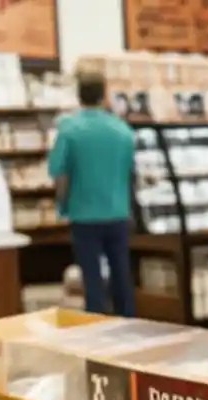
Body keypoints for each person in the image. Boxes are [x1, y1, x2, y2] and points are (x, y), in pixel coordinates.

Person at [48, 72, 136, 317]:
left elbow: (60, 173)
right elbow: (130, 172)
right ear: (104, 95)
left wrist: (62, 204)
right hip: (118, 212)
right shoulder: (122, 130)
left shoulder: (69, 130)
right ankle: (129, 325)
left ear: (79, 96)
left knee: (92, 278)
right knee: (121, 274)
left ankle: (95, 332)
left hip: (84, 214)